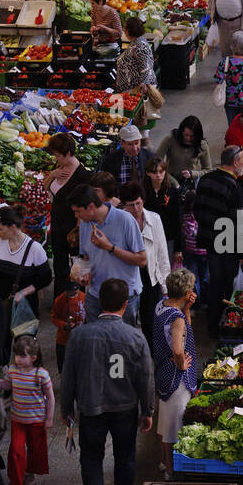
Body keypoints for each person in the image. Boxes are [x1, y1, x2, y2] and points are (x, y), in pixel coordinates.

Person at [61, 278, 155, 485]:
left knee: (91, 460)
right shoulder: (135, 337)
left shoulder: (79, 335)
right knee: (125, 458)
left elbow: (68, 375)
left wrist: (67, 408)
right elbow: (146, 376)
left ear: (98, 301)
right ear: (125, 304)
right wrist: (147, 410)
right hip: (125, 408)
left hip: (91, 408)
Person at [67, 183, 147, 326]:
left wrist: (109, 247)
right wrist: (84, 273)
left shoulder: (125, 220)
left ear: (91, 207)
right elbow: (86, 256)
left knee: (122, 339)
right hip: (95, 296)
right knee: (95, 338)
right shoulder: (85, 223)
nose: (76, 215)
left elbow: (142, 260)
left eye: (78, 211)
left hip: (123, 298)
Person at [193, 145, 243, 335]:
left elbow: (197, 210)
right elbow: (239, 225)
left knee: (214, 281)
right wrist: (242, 254)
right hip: (227, 247)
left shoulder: (205, 180)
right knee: (226, 285)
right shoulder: (235, 189)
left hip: (209, 241)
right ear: (235, 162)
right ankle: (223, 325)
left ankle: (212, 323)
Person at [151, 268, 198, 466]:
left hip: (162, 372)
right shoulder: (176, 318)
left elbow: (186, 331)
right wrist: (182, 364)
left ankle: (163, 462)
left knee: (164, 423)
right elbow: (178, 349)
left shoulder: (161, 306)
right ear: (186, 293)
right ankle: (171, 470)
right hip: (177, 380)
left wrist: (187, 309)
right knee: (175, 427)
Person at [0, 334, 54, 485]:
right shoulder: (12, 371)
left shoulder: (41, 374)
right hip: (18, 420)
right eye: (16, 355)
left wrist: (49, 418)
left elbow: (50, 398)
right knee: (16, 450)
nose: (18, 359)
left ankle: (29, 474)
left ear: (33, 358)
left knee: (35, 449)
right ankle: (15, 481)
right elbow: (6, 385)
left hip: (37, 420)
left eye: (22, 356)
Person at [120, 181, 170, 340]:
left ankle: (150, 352)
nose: (135, 209)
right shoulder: (120, 220)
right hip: (128, 275)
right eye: (131, 205)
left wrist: (165, 286)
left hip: (150, 275)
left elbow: (162, 252)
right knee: (128, 320)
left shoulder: (154, 219)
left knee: (150, 321)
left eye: (138, 203)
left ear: (143, 200)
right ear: (124, 205)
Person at [46, 132, 93, 299]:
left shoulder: (82, 176)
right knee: (59, 262)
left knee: (76, 265)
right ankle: (59, 298)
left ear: (67, 153)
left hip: (73, 225)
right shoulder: (58, 167)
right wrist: (52, 175)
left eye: (57, 155)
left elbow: (85, 204)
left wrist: (80, 227)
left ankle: (78, 301)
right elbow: (47, 187)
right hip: (57, 221)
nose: (55, 158)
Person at [0, 204, 52, 320]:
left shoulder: (34, 249)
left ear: (12, 227)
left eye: (0, 229)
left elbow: (45, 278)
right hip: (2, 303)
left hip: (25, 306)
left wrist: (22, 293)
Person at [114, 17, 158, 108]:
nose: (124, 31)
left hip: (136, 88)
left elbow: (145, 66)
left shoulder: (140, 45)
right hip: (132, 87)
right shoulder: (136, 42)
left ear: (130, 30)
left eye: (125, 28)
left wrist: (144, 85)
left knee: (142, 112)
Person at [50, 265, 86, 371]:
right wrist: (64, 325)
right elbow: (54, 317)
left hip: (81, 339)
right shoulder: (59, 300)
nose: (72, 294)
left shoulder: (85, 298)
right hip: (64, 340)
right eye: (69, 292)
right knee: (64, 368)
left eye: (75, 291)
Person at [144, 155, 182, 256]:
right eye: (154, 172)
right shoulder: (143, 191)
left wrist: (178, 249)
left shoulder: (172, 190)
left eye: (161, 171)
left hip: (168, 238)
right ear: (148, 173)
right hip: (148, 238)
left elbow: (177, 219)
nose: (158, 175)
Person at [102, 122, 156, 189]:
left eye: (136, 143)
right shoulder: (111, 160)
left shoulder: (150, 157)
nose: (134, 148)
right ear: (122, 143)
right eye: (130, 144)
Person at [156, 115, 211, 182]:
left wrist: (192, 174)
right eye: (186, 135)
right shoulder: (170, 139)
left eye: (192, 136)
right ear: (181, 132)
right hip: (169, 179)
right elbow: (156, 161)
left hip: (189, 181)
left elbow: (208, 170)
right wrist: (172, 181)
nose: (188, 138)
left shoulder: (202, 145)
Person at [180, 193, 209, 304]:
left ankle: (204, 301)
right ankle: (196, 303)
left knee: (204, 278)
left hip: (203, 252)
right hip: (191, 252)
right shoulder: (186, 217)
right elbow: (189, 232)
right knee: (194, 279)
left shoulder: (204, 215)